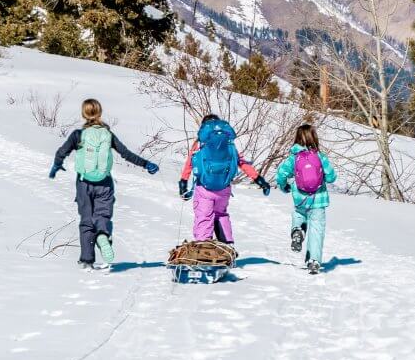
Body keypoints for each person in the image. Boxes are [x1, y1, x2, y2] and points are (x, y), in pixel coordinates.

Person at [50, 99, 158, 270]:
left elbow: (61, 152)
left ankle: (87, 260)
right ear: (99, 113)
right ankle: (102, 234)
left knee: (86, 221)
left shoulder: (78, 135)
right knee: (103, 216)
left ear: (84, 114)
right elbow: (126, 154)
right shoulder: (107, 135)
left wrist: (56, 166)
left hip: (84, 183)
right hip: (105, 183)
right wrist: (146, 164)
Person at [178, 114, 270, 246]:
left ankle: (204, 246)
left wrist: (183, 183)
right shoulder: (228, 145)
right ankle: (227, 245)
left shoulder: (199, 144)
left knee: (204, 217)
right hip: (224, 189)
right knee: (220, 215)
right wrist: (259, 180)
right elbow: (242, 163)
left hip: (204, 189)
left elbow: (189, 164)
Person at [274, 123, 337, 274]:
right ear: (314, 138)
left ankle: (298, 231)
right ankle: (314, 260)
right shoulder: (320, 157)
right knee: (316, 230)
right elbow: (332, 177)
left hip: (300, 198)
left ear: (297, 139)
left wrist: (284, 187)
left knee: (298, 214)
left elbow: (281, 174)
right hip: (318, 201)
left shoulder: (293, 158)